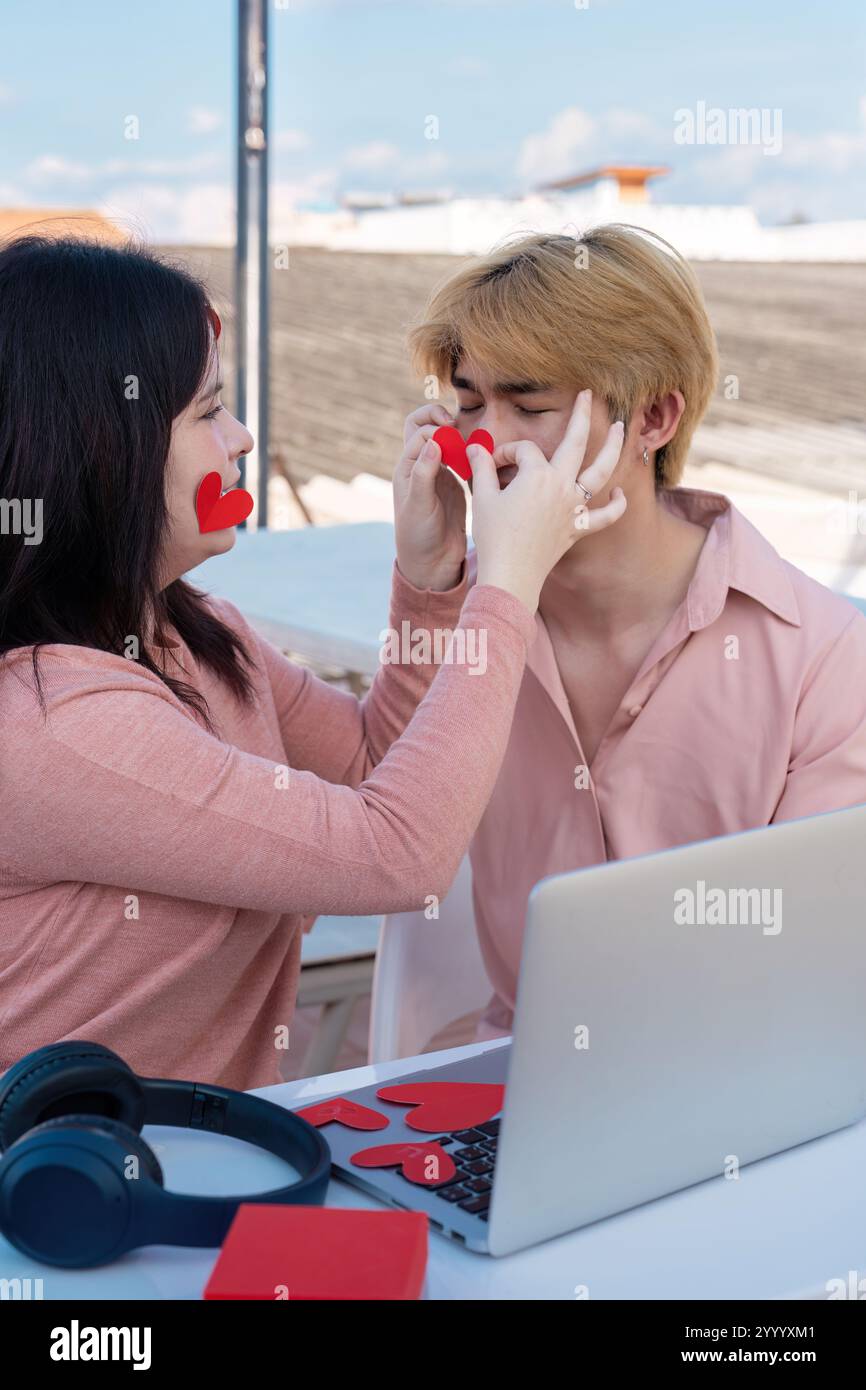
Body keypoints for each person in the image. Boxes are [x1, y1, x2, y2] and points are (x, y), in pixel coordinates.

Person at [0, 235, 627, 1088]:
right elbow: (400, 852)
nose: (243, 438)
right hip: (72, 1198)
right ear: (99, 450)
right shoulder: (54, 725)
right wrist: (509, 586)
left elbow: (374, 766)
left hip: (203, 1160)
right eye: (208, 413)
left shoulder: (195, 634)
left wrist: (431, 574)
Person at [408, 224, 866, 1040]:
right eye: (470, 402)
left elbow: (816, 965)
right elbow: (378, 830)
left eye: (531, 404)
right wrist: (431, 582)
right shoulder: (454, 612)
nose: (486, 444)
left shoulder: (823, 657)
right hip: (517, 1065)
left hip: (742, 1073)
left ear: (652, 419)